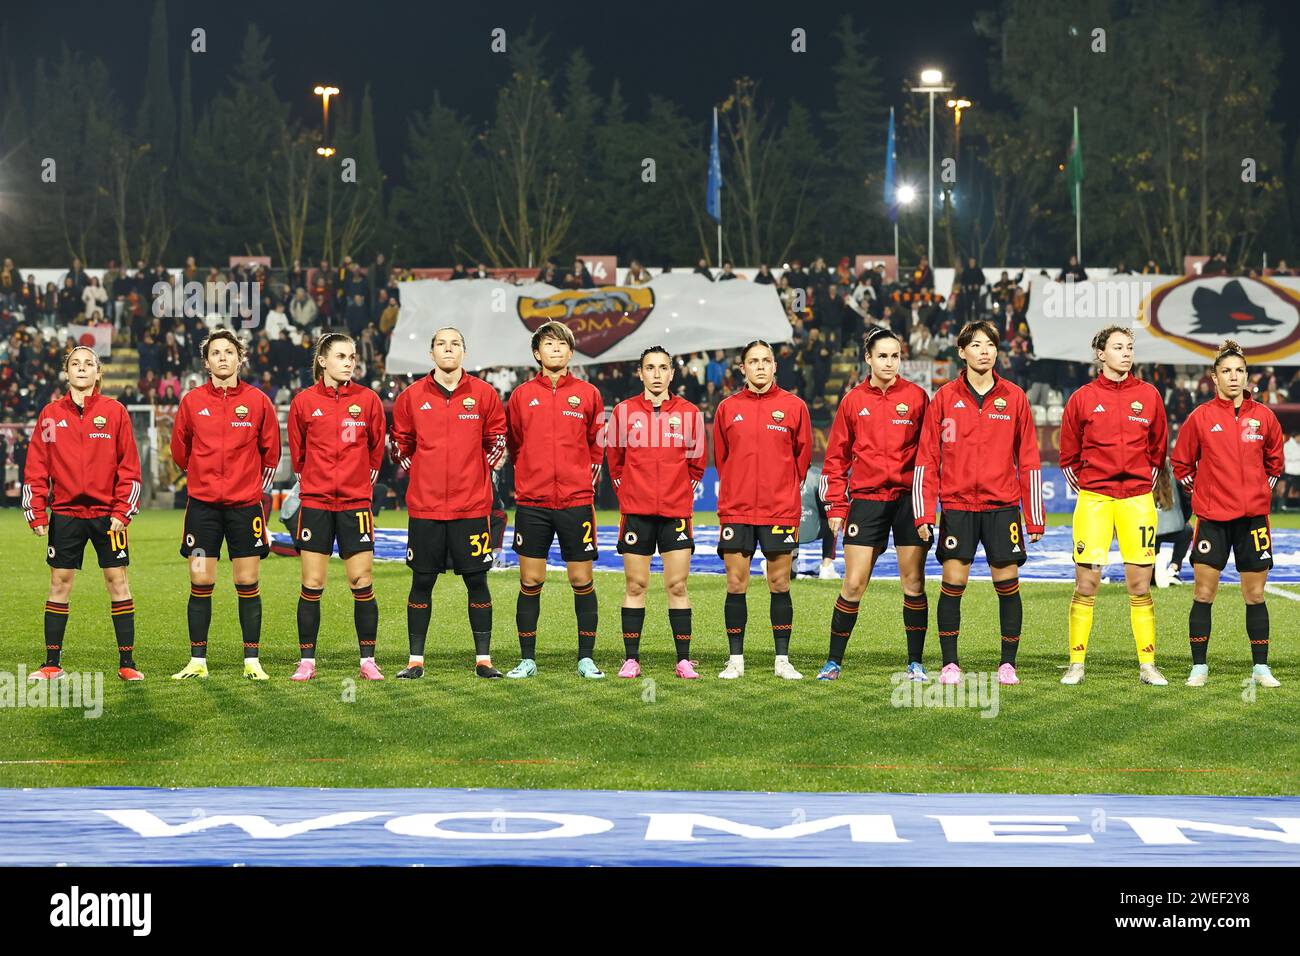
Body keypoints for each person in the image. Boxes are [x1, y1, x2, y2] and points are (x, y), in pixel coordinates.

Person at [913, 320, 1044, 686]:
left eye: (990, 344)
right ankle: (950, 664)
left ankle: (1008, 664)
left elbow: (1029, 458)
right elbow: (927, 458)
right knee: (953, 582)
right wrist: (924, 512)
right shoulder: (943, 398)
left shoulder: (1014, 397)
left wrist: (1033, 517)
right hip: (957, 507)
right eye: (976, 345)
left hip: (1002, 507)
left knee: (1007, 582)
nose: (984, 350)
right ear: (962, 351)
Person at [389, 327, 507, 679]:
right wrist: (422, 471)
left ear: (464, 352)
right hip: (426, 509)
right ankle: (415, 661)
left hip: (471, 509)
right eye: (441, 343)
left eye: (455, 343)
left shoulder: (484, 394)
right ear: (431, 354)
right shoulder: (411, 397)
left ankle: (483, 660)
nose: (448, 348)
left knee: (477, 582)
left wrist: (474, 473)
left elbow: (497, 441)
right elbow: (400, 447)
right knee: (422, 582)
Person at [23, 346, 144, 681]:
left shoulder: (115, 412)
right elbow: (36, 466)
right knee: (59, 583)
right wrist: (36, 510)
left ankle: (127, 664)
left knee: (117, 580)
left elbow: (129, 468)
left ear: (97, 372)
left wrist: (123, 510)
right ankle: (51, 663)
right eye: (75, 363)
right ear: (66, 372)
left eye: (88, 363)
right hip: (65, 514)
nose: (81, 368)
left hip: (109, 516)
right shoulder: (49, 415)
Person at [1057, 325, 1169, 686]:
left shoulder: (1149, 396)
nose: (1126, 352)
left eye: (1130, 346)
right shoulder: (1083, 398)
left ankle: (1148, 665)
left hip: (1137, 500)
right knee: (1087, 583)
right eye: (1118, 347)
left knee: (1140, 584)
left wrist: (1141, 484)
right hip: (1095, 499)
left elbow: (1157, 450)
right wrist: (1090, 486)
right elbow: (1068, 454)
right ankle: (1076, 663)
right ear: (1101, 354)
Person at [817, 327, 931, 680]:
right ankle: (834, 661)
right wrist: (836, 505)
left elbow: (929, 456)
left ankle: (915, 663)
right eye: (882, 355)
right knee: (853, 584)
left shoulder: (916, 398)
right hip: (866, 502)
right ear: (868, 358)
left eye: (895, 356)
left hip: (907, 502)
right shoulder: (853, 401)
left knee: (913, 584)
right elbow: (836, 459)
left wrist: (927, 505)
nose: (889, 362)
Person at [169, 329, 281, 681]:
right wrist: (202, 478)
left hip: (245, 509)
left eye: (228, 352)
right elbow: (179, 451)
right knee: (200, 580)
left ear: (239, 357)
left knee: (247, 581)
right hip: (202, 510)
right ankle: (197, 660)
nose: (222, 357)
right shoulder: (191, 402)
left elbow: (270, 454)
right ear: (206, 362)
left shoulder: (258, 401)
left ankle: (252, 660)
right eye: (215, 353)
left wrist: (251, 493)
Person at [1171, 340, 1283, 688]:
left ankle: (1261, 668)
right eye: (1226, 371)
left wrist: (1257, 492)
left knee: (1255, 595)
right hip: (1213, 520)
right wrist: (1205, 493)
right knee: (1204, 593)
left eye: (1239, 371)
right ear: (1214, 377)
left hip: (1253, 520)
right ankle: (1199, 667)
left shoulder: (1264, 416)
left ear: (1246, 375)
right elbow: (1181, 465)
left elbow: (1275, 463)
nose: (1233, 377)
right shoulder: (1201, 417)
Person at [504, 320, 606, 679]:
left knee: (581, 580)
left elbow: (596, 440)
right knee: (531, 581)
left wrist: (586, 472)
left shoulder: (588, 394)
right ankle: (527, 659)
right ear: (537, 353)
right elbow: (515, 444)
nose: (556, 349)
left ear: (570, 351)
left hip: (575, 500)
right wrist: (530, 476)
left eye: (562, 344)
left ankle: (586, 658)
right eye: (549, 344)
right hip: (533, 502)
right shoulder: (520, 396)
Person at [287, 332, 387, 681]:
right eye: (342, 356)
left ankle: (367, 661)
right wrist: (316, 485)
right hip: (315, 503)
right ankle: (307, 662)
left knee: (361, 580)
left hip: (355, 504)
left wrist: (357, 486)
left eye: (352, 357)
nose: (349, 362)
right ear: (323, 361)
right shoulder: (303, 402)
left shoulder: (369, 400)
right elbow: (298, 457)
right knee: (313, 583)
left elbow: (376, 453)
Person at [604, 346, 706, 680]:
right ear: (641, 373)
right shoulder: (623, 412)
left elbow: (697, 464)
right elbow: (615, 462)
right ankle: (631, 659)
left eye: (663, 367)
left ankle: (684, 660)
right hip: (637, 512)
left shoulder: (690, 413)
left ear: (672, 373)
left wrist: (678, 492)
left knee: (677, 585)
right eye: (651, 367)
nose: (657, 373)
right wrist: (633, 492)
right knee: (636, 585)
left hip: (676, 512)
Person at [713, 340, 812, 680]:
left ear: (774, 366)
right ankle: (735, 660)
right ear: (743, 368)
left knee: (780, 583)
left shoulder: (794, 406)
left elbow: (802, 459)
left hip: (779, 510)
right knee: (736, 583)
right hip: (737, 510)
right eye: (753, 361)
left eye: (765, 360)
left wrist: (780, 491)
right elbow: (721, 459)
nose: (759, 366)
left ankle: (782, 660)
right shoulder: (727, 408)